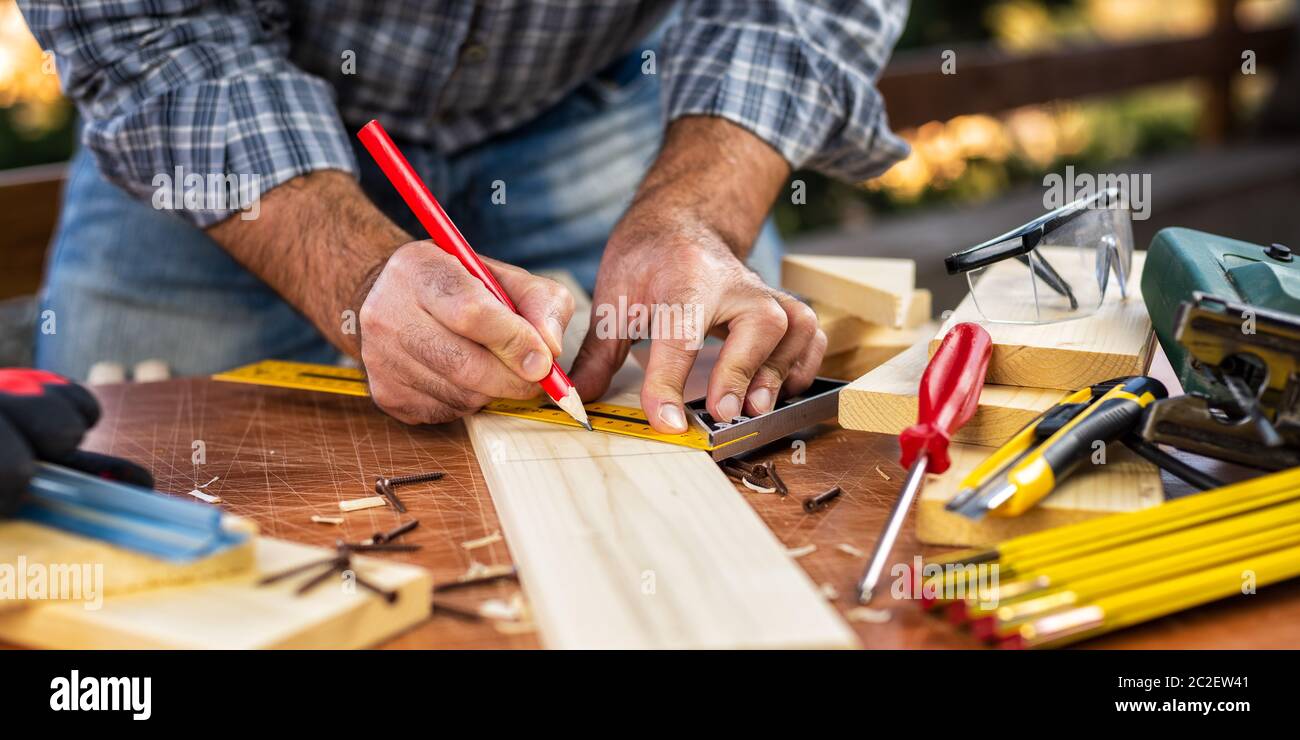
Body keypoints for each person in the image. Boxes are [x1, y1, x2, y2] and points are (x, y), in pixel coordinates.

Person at [20, 0, 910, 434]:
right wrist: (357, 274)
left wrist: (695, 216)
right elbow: (141, 24)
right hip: (213, 129)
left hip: (593, 103)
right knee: (131, 471)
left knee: (717, 400)